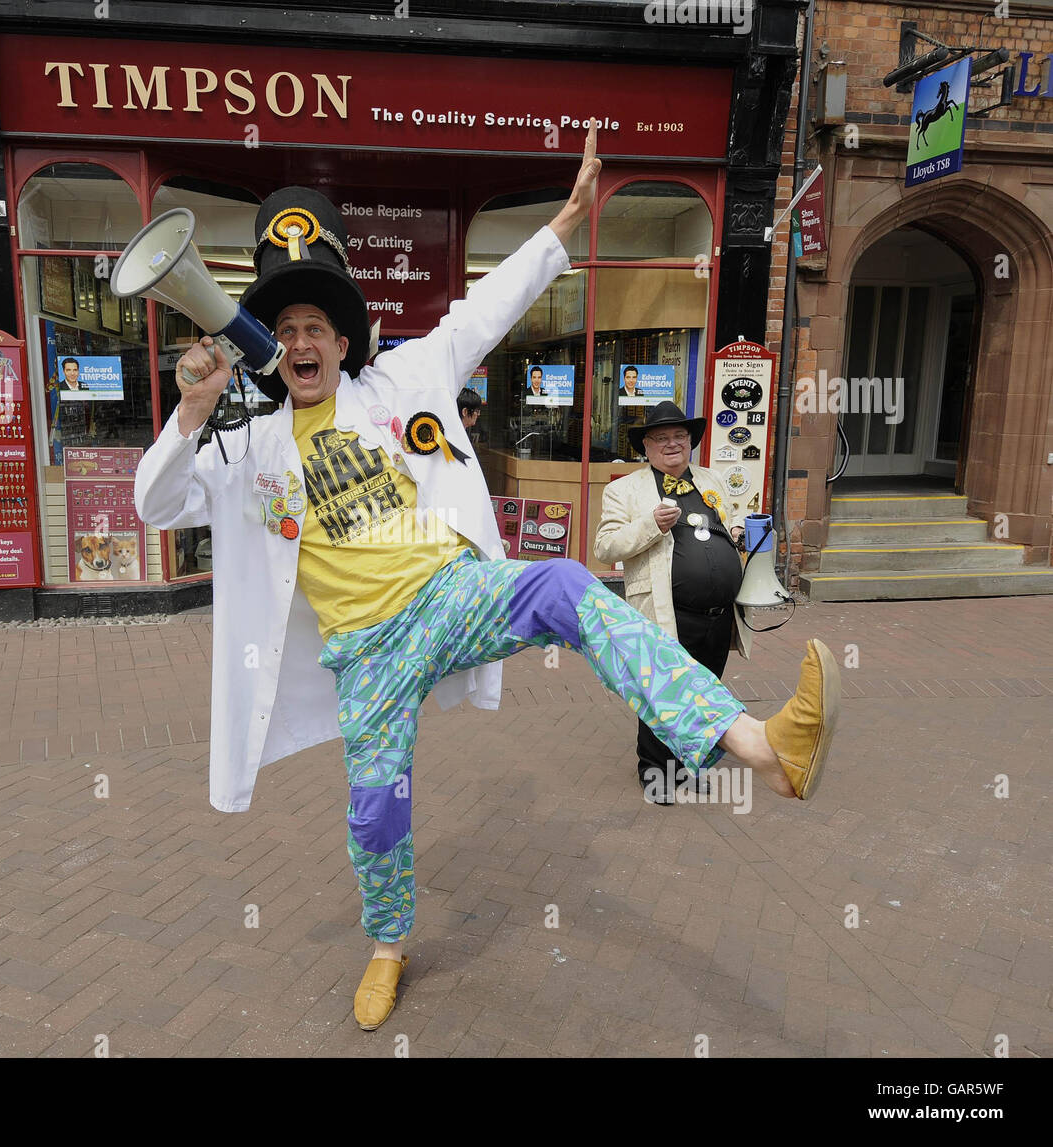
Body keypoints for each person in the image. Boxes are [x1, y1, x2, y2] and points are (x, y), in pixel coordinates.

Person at [135, 122, 839, 1032]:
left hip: (445, 599)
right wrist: (190, 412)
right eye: (288, 327)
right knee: (375, 812)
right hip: (363, 653)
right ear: (273, 347)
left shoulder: (400, 381)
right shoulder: (252, 445)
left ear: (342, 341)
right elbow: (156, 504)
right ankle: (387, 946)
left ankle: (757, 745)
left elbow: (484, 311)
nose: (303, 340)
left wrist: (570, 220)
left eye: (318, 325)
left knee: (567, 587)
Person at [594, 402, 754, 803]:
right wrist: (651, 524)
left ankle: (687, 767)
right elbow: (604, 546)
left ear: (691, 442)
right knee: (662, 694)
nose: (672, 445)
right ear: (646, 446)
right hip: (666, 613)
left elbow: (729, 519)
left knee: (702, 694)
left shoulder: (711, 479)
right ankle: (656, 773)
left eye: (680, 437)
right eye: (661, 438)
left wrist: (739, 531)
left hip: (719, 615)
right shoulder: (624, 490)